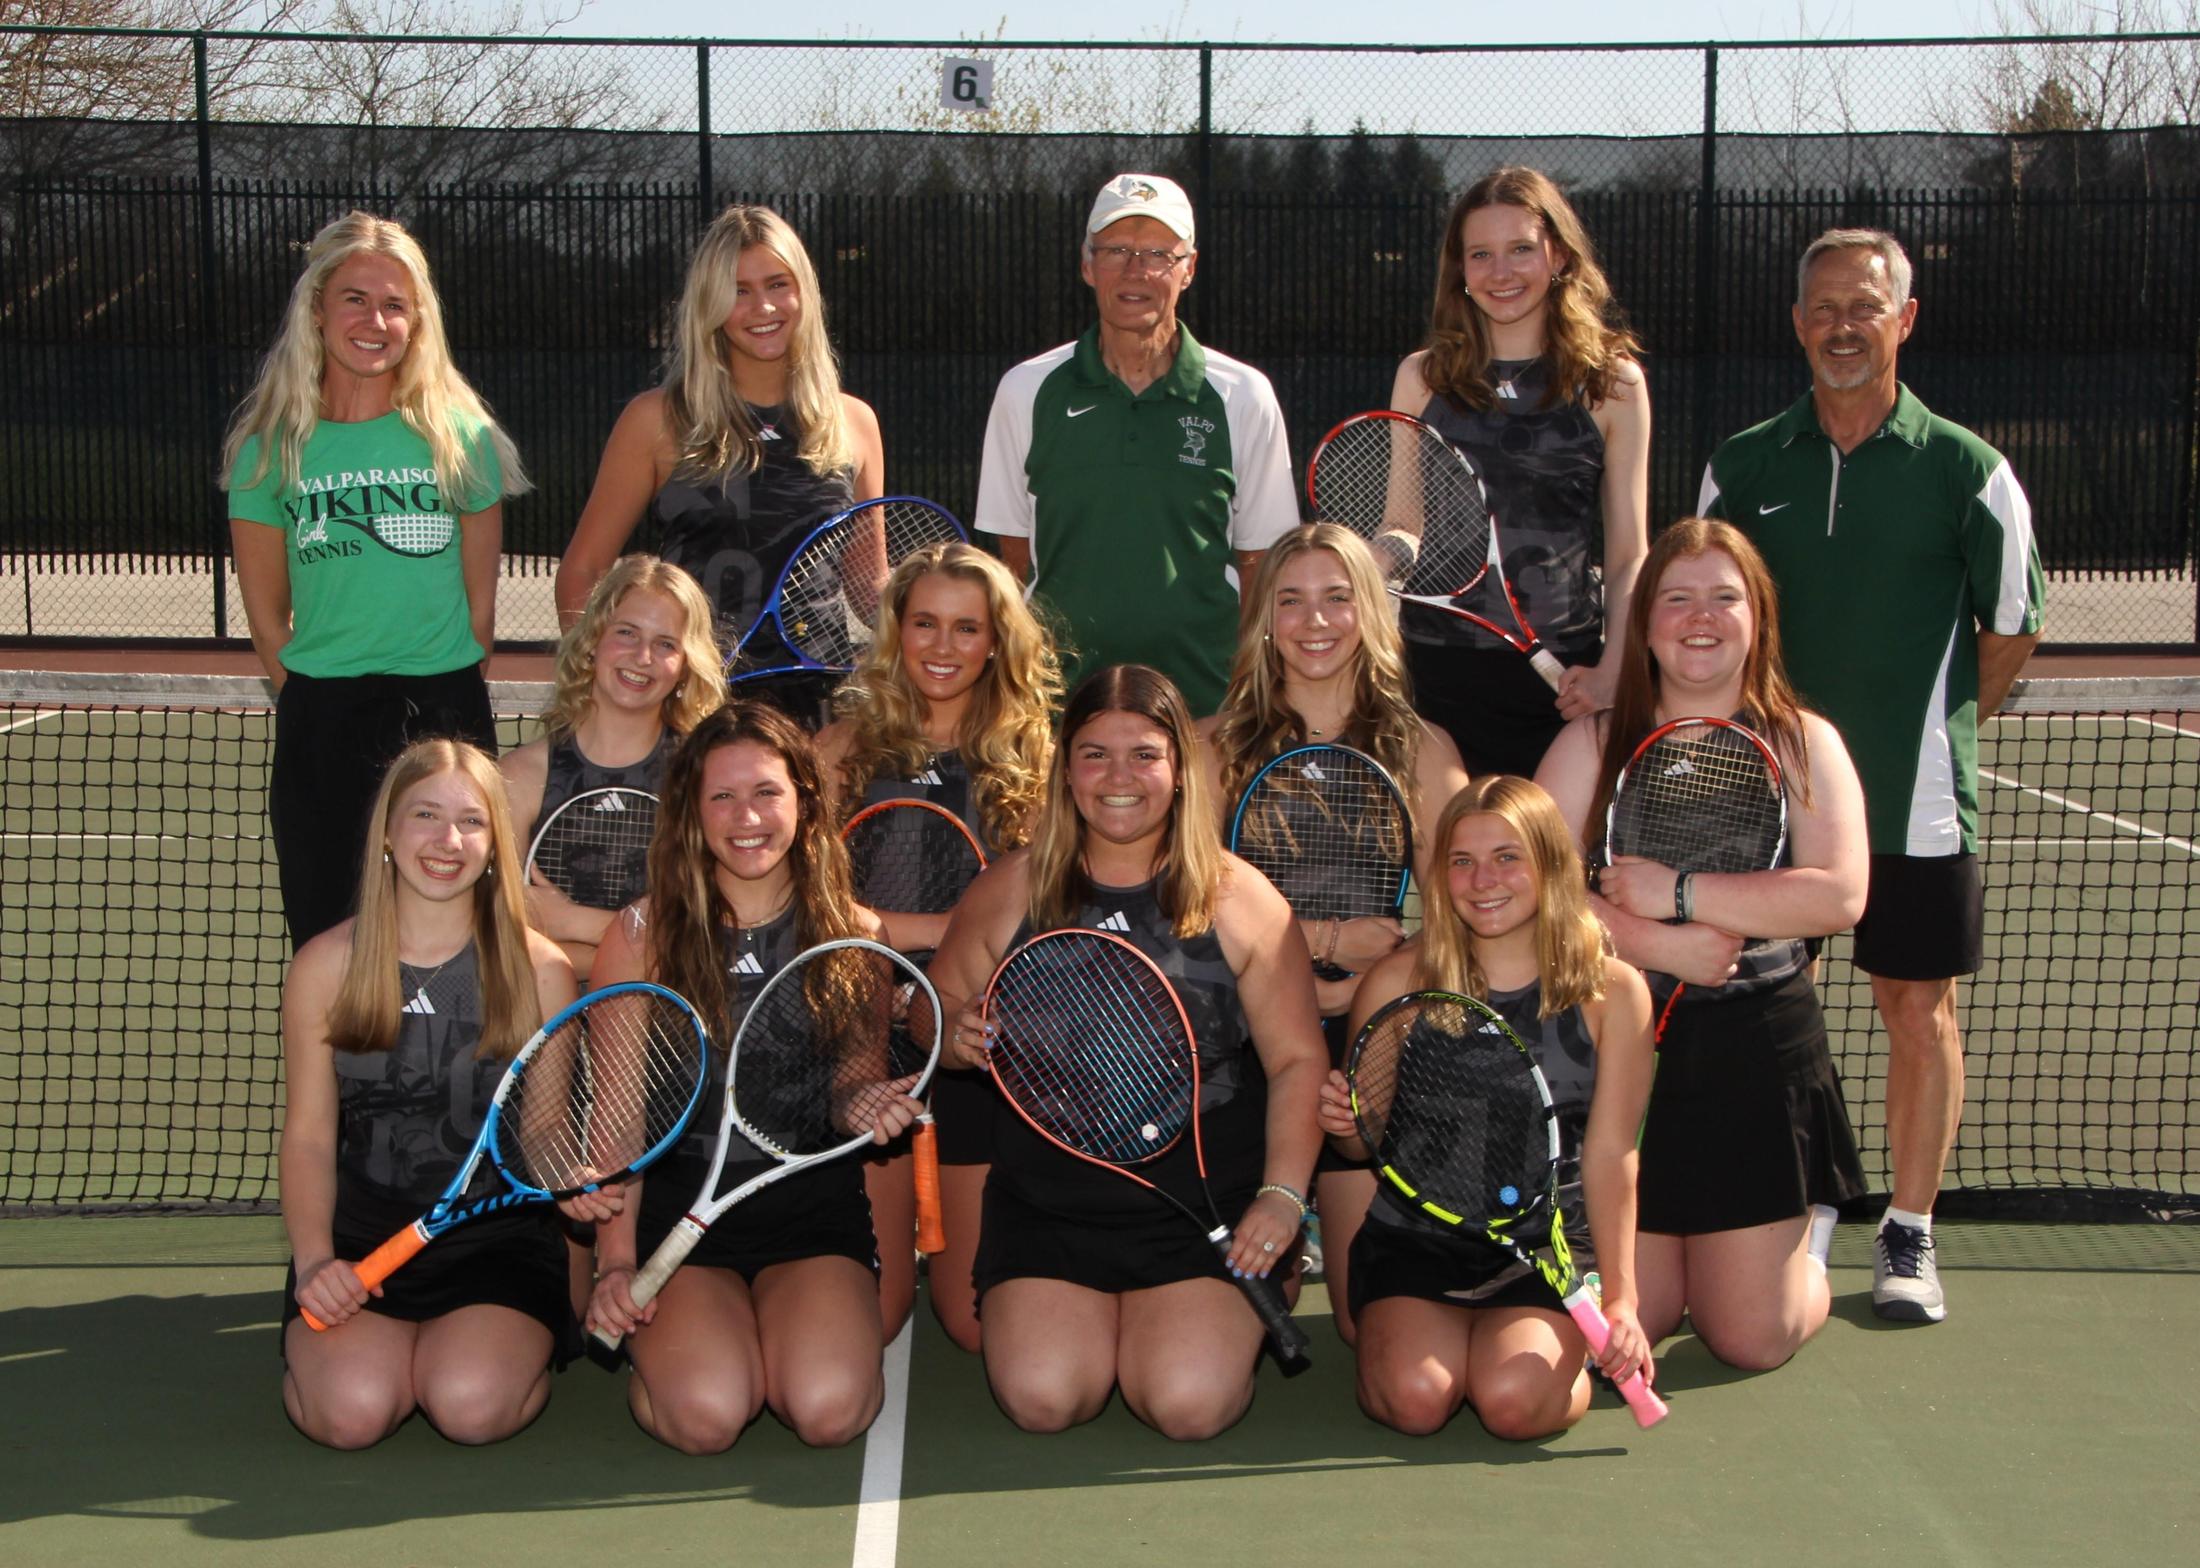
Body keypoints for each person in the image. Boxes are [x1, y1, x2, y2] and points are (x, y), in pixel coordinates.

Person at [1698, 227, 2046, 1323]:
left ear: (1905, 317)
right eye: (1822, 309)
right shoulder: (1743, 465)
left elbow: (2009, 629)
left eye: (1866, 306)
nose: (1843, 326)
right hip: (1766, 801)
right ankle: (1795, 1202)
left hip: (1915, 800)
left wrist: (1931, 732)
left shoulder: (1969, 472)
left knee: (1914, 1007)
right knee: (1754, 1005)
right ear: (1796, 323)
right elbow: (1698, 613)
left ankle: (1908, 1231)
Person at [928, 665, 1325, 1439]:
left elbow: (1298, 1063)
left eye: (1144, 754)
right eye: (1094, 754)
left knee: (1188, 1405)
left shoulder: (1242, 901)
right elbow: (928, 1008)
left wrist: (1281, 1196)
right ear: (1065, 771)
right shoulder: (1010, 889)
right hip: (1048, 1210)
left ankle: (1259, 1278)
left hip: (1202, 1212)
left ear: (1179, 770)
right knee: (1044, 1398)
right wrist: (949, 1033)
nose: (1120, 777)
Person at [1537, 518, 1872, 1368]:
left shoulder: (1802, 742)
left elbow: (1839, 894)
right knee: (1635, 1320)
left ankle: (1806, 1252)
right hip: (1620, 1054)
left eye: (1725, 598)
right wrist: (1658, 941)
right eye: (1677, 598)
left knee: (1751, 1338)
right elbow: (1531, 889)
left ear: (1757, 616)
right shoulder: (1590, 743)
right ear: (1646, 621)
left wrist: (1681, 893)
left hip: (1756, 1052)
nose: (1701, 617)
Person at [582, 704, 920, 1455]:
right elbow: (618, 1122)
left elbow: (851, 1087)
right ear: (692, 814)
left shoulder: (855, 935)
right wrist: (616, 1265)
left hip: (811, 1222)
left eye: (767, 792)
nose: (748, 817)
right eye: (722, 797)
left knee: (830, 1412)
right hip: (681, 1223)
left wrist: (863, 1102)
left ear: (803, 798)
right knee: (706, 1417)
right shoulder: (640, 938)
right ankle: (677, 1367)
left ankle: (781, 1336)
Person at [1316, 775, 1655, 1439]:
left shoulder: (1615, 993)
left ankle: (1556, 1354)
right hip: (1416, 1243)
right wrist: (1349, 1128)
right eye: (1462, 862)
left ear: (1551, 865)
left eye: (1507, 857)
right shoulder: (1396, 983)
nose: (1483, 880)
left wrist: (1622, 1300)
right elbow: (1362, 1148)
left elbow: (1614, 1153)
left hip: (1548, 1247)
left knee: (1513, 1403)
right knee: (1415, 1399)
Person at [1195, 522, 1468, 1342]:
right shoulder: (1209, 750)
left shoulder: (1423, 750)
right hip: (1243, 1044)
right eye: (1291, 601)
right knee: (1242, 1314)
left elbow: (1467, 915)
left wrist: (1374, 996)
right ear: (1263, 618)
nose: (1316, 621)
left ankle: (1326, 1207)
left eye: (1338, 599)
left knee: (1360, 1326)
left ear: (1371, 612)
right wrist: (1315, 950)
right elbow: (1184, 913)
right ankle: (1282, 1208)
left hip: (1369, 1045)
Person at [227, 211, 525, 949]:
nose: (374, 320)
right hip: (321, 722)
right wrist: (312, 697)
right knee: (331, 939)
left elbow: (479, 614)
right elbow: (268, 620)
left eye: (395, 304)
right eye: (355, 298)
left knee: (458, 939)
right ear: (319, 309)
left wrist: (441, 687)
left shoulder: (464, 441)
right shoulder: (269, 452)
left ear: (417, 322)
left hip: (441, 708)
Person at [278, 738, 578, 1449]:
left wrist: (572, 1182)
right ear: (387, 831)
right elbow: (311, 1136)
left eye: (472, 822)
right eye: (425, 815)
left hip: (497, 1243)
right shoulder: (325, 965)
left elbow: (543, 1133)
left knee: (469, 1407)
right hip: (362, 1242)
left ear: (496, 843)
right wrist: (317, 1259)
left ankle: (541, 1316)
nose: (448, 841)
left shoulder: (542, 971)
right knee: (350, 1415)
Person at [814, 540, 1063, 1350]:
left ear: (998, 642)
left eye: (967, 628)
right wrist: (877, 962)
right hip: (862, 1039)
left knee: (972, 1325)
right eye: (925, 623)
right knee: (875, 1322)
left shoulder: (1043, 764)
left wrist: (898, 936)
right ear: (895, 629)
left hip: (975, 1049)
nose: (943, 647)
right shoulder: (838, 754)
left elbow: (1041, 916)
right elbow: (807, 907)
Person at [974, 173, 1300, 715]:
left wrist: (1241, 700)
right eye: (1116, 250)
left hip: (1204, 710)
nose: (1136, 270)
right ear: (1086, 264)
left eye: (1158, 254)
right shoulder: (1025, 390)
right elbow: (1013, 566)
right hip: (1057, 710)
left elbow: (1260, 564)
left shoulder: (1244, 395)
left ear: (1189, 268)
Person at [554, 203, 884, 724]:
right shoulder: (656, 420)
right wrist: (606, 693)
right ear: (710, 303)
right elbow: (585, 570)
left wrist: (944, 619)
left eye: (778, 284)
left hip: (820, 710)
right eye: (738, 290)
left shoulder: (853, 421)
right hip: (691, 708)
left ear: (804, 293)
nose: (763, 307)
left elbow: (869, 588)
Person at [1389, 166, 1650, 777]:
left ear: (1557, 255)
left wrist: (1615, 667)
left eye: (1521, 249)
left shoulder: (1612, 384)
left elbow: (1628, 552)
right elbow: (1403, 526)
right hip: (1436, 674)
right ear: (1460, 269)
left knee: (1557, 868)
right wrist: (1365, 571)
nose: (1500, 272)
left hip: (1566, 682)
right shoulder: (1421, 378)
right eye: (1481, 254)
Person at [502, 554, 725, 982]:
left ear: (684, 666)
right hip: (544, 1016)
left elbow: (704, 940)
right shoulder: (521, 776)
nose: (642, 656)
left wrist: (572, 922)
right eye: (626, 633)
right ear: (593, 641)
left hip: (673, 1021)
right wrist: (638, 951)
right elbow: (500, 944)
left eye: (665, 644)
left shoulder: (704, 779)